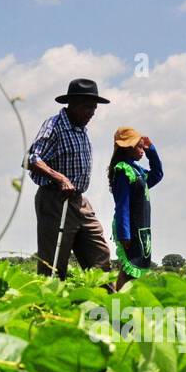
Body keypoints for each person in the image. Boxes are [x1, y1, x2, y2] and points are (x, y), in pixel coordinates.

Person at [27, 79, 113, 279]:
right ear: (72, 104)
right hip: (56, 200)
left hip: (79, 200)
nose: (91, 113)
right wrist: (59, 178)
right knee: (54, 264)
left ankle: (105, 305)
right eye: (87, 107)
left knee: (100, 255)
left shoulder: (82, 127)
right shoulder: (54, 125)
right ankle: (49, 306)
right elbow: (31, 159)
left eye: (94, 109)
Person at [106, 127, 163, 291]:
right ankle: (118, 303)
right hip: (130, 229)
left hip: (142, 229)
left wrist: (151, 150)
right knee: (129, 269)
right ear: (128, 148)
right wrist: (124, 234)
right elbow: (122, 205)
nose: (142, 150)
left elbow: (157, 174)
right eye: (139, 146)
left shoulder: (138, 171)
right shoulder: (124, 171)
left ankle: (126, 302)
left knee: (137, 268)